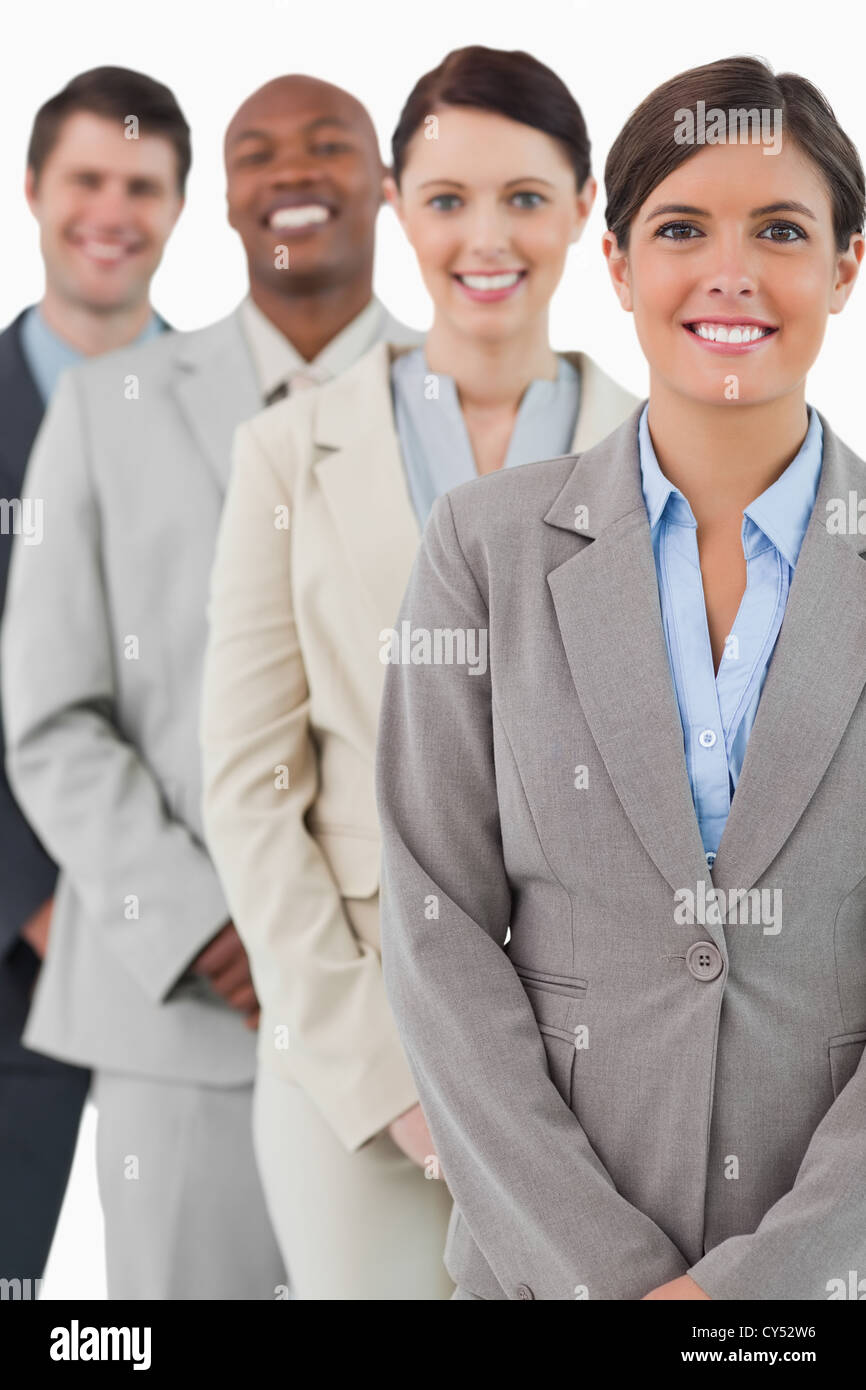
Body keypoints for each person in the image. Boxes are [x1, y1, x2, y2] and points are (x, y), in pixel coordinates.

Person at [374, 54, 866, 1300]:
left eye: (780, 230)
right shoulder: (483, 546)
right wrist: (604, 1280)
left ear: (846, 266)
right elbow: (434, 931)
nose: (730, 270)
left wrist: (744, 1295)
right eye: (682, 227)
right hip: (539, 1274)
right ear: (617, 263)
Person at [199, 45, 637, 1300]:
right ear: (398, 208)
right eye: (446, 200)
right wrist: (380, 1072)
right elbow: (246, 780)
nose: (483, 237)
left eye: (523, 197)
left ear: (581, 205)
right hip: (358, 1045)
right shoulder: (288, 451)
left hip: (598, 1060)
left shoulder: (657, 449)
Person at [0, 73, 415, 1300]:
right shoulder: (105, 411)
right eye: (257, 152)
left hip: (412, 1016)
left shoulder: (458, 398)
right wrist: (197, 923)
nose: (293, 173)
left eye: (328, 146)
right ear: (224, 200)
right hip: (181, 1016)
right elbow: (50, 715)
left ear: (384, 185)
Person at [0, 65, 186, 1292]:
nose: (111, 210)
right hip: (16, 952)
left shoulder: (254, 418)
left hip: (209, 967)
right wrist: (42, 902)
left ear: (178, 209)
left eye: (142, 185)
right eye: (86, 179)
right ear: (31, 190)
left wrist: (177, 916)